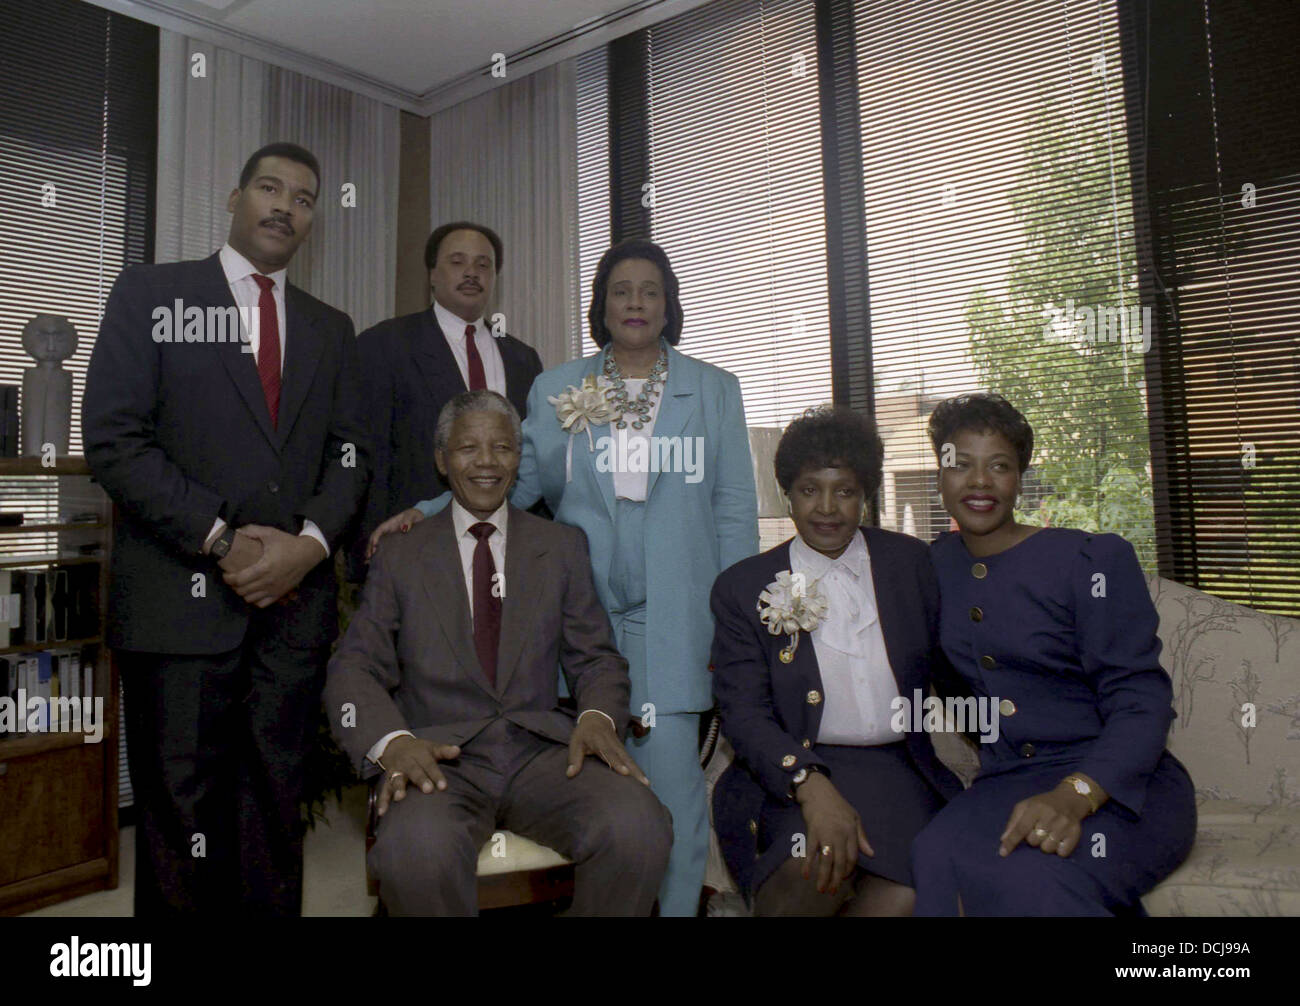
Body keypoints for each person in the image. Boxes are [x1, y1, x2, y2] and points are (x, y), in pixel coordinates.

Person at [368, 238, 759, 916]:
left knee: (666, 802)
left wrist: (735, 631)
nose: (635, 302)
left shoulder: (715, 390)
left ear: (670, 306)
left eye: (650, 291)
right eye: (620, 290)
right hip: (578, 630)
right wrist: (425, 513)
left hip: (675, 627)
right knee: (593, 798)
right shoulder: (559, 389)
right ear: (600, 306)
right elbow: (508, 484)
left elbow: (733, 517)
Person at [82, 142, 370, 915]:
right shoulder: (152, 294)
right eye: (269, 188)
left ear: (314, 219)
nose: (285, 206)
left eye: (304, 198)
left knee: (275, 810)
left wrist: (309, 547)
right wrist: (219, 537)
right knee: (181, 822)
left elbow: (351, 455)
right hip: (180, 606)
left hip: (291, 615)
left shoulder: (330, 328)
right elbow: (113, 438)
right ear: (234, 197)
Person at [325, 390, 672, 915]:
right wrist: (392, 743)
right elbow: (354, 667)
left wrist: (598, 716)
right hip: (439, 761)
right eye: (468, 448)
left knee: (639, 825)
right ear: (442, 460)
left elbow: (596, 658)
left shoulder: (561, 547)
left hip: (545, 756)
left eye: (502, 448)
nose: (486, 462)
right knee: (415, 852)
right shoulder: (401, 555)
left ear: (518, 458)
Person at [911, 392, 1196, 915]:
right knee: (933, 858)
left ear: (1020, 477)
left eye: (999, 466)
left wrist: (1077, 793)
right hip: (1008, 781)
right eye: (960, 465)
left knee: (1035, 879)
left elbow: (1141, 699)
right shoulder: (931, 567)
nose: (979, 482)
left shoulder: (1088, 560)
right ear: (940, 478)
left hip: (1121, 784)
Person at [710, 406, 964, 915]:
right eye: (809, 490)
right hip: (790, 770)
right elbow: (742, 714)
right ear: (788, 492)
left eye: (844, 491)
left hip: (898, 770)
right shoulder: (742, 586)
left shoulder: (911, 563)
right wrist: (808, 782)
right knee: (813, 870)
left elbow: (956, 669)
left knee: (910, 894)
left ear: (865, 494)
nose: (827, 508)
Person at [348, 222, 544, 580]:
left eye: (483, 265)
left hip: (508, 556)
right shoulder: (384, 345)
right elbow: (366, 455)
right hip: (414, 554)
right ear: (432, 276)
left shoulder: (523, 359)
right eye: (457, 262)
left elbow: (531, 458)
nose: (472, 272)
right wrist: (372, 554)